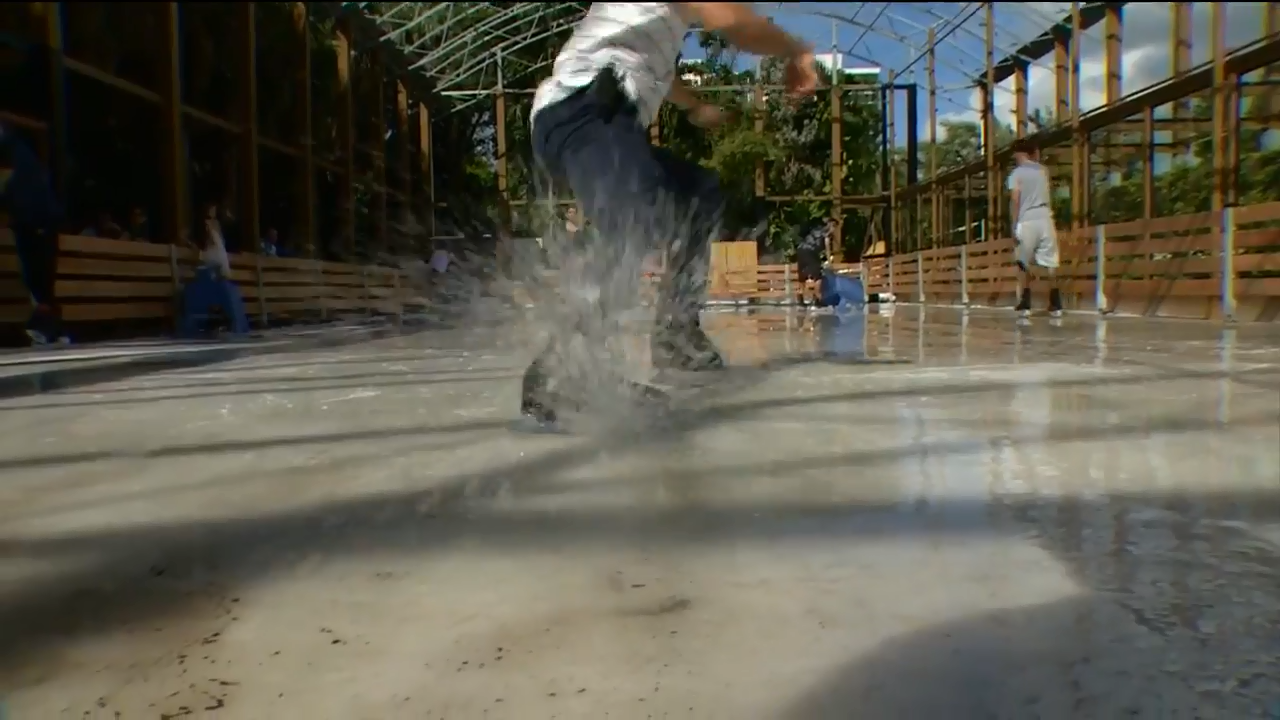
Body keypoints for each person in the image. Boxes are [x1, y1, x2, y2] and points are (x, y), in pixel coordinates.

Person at [520, 2, 818, 423]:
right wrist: (796, 50)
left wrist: (693, 106)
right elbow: (734, 23)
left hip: (599, 120)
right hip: (581, 112)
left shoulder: (654, 21)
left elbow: (656, 71)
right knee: (637, 216)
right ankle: (563, 370)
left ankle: (675, 334)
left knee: (699, 195)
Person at [0, 124, 68, 345]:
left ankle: (45, 328)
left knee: (38, 280)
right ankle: (51, 329)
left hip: (34, 221)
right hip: (40, 220)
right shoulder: (21, 153)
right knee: (41, 281)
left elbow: (11, 187)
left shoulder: (12, 153)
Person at [1008, 137, 1062, 318]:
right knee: (1051, 261)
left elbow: (1015, 199)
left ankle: (1025, 301)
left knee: (1023, 260)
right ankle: (1055, 302)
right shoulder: (1043, 171)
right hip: (1045, 216)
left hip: (1027, 218)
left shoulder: (1016, 174)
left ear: (1019, 153)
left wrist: (1014, 224)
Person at [795, 218, 833, 308]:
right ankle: (818, 299)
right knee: (818, 276)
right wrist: (829, 263)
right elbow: (827, 250)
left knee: (802, 274)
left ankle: (800, 297)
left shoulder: (815, 230)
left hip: (801, 250)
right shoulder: (826, 234)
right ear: (831, 226)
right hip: (811, 252)